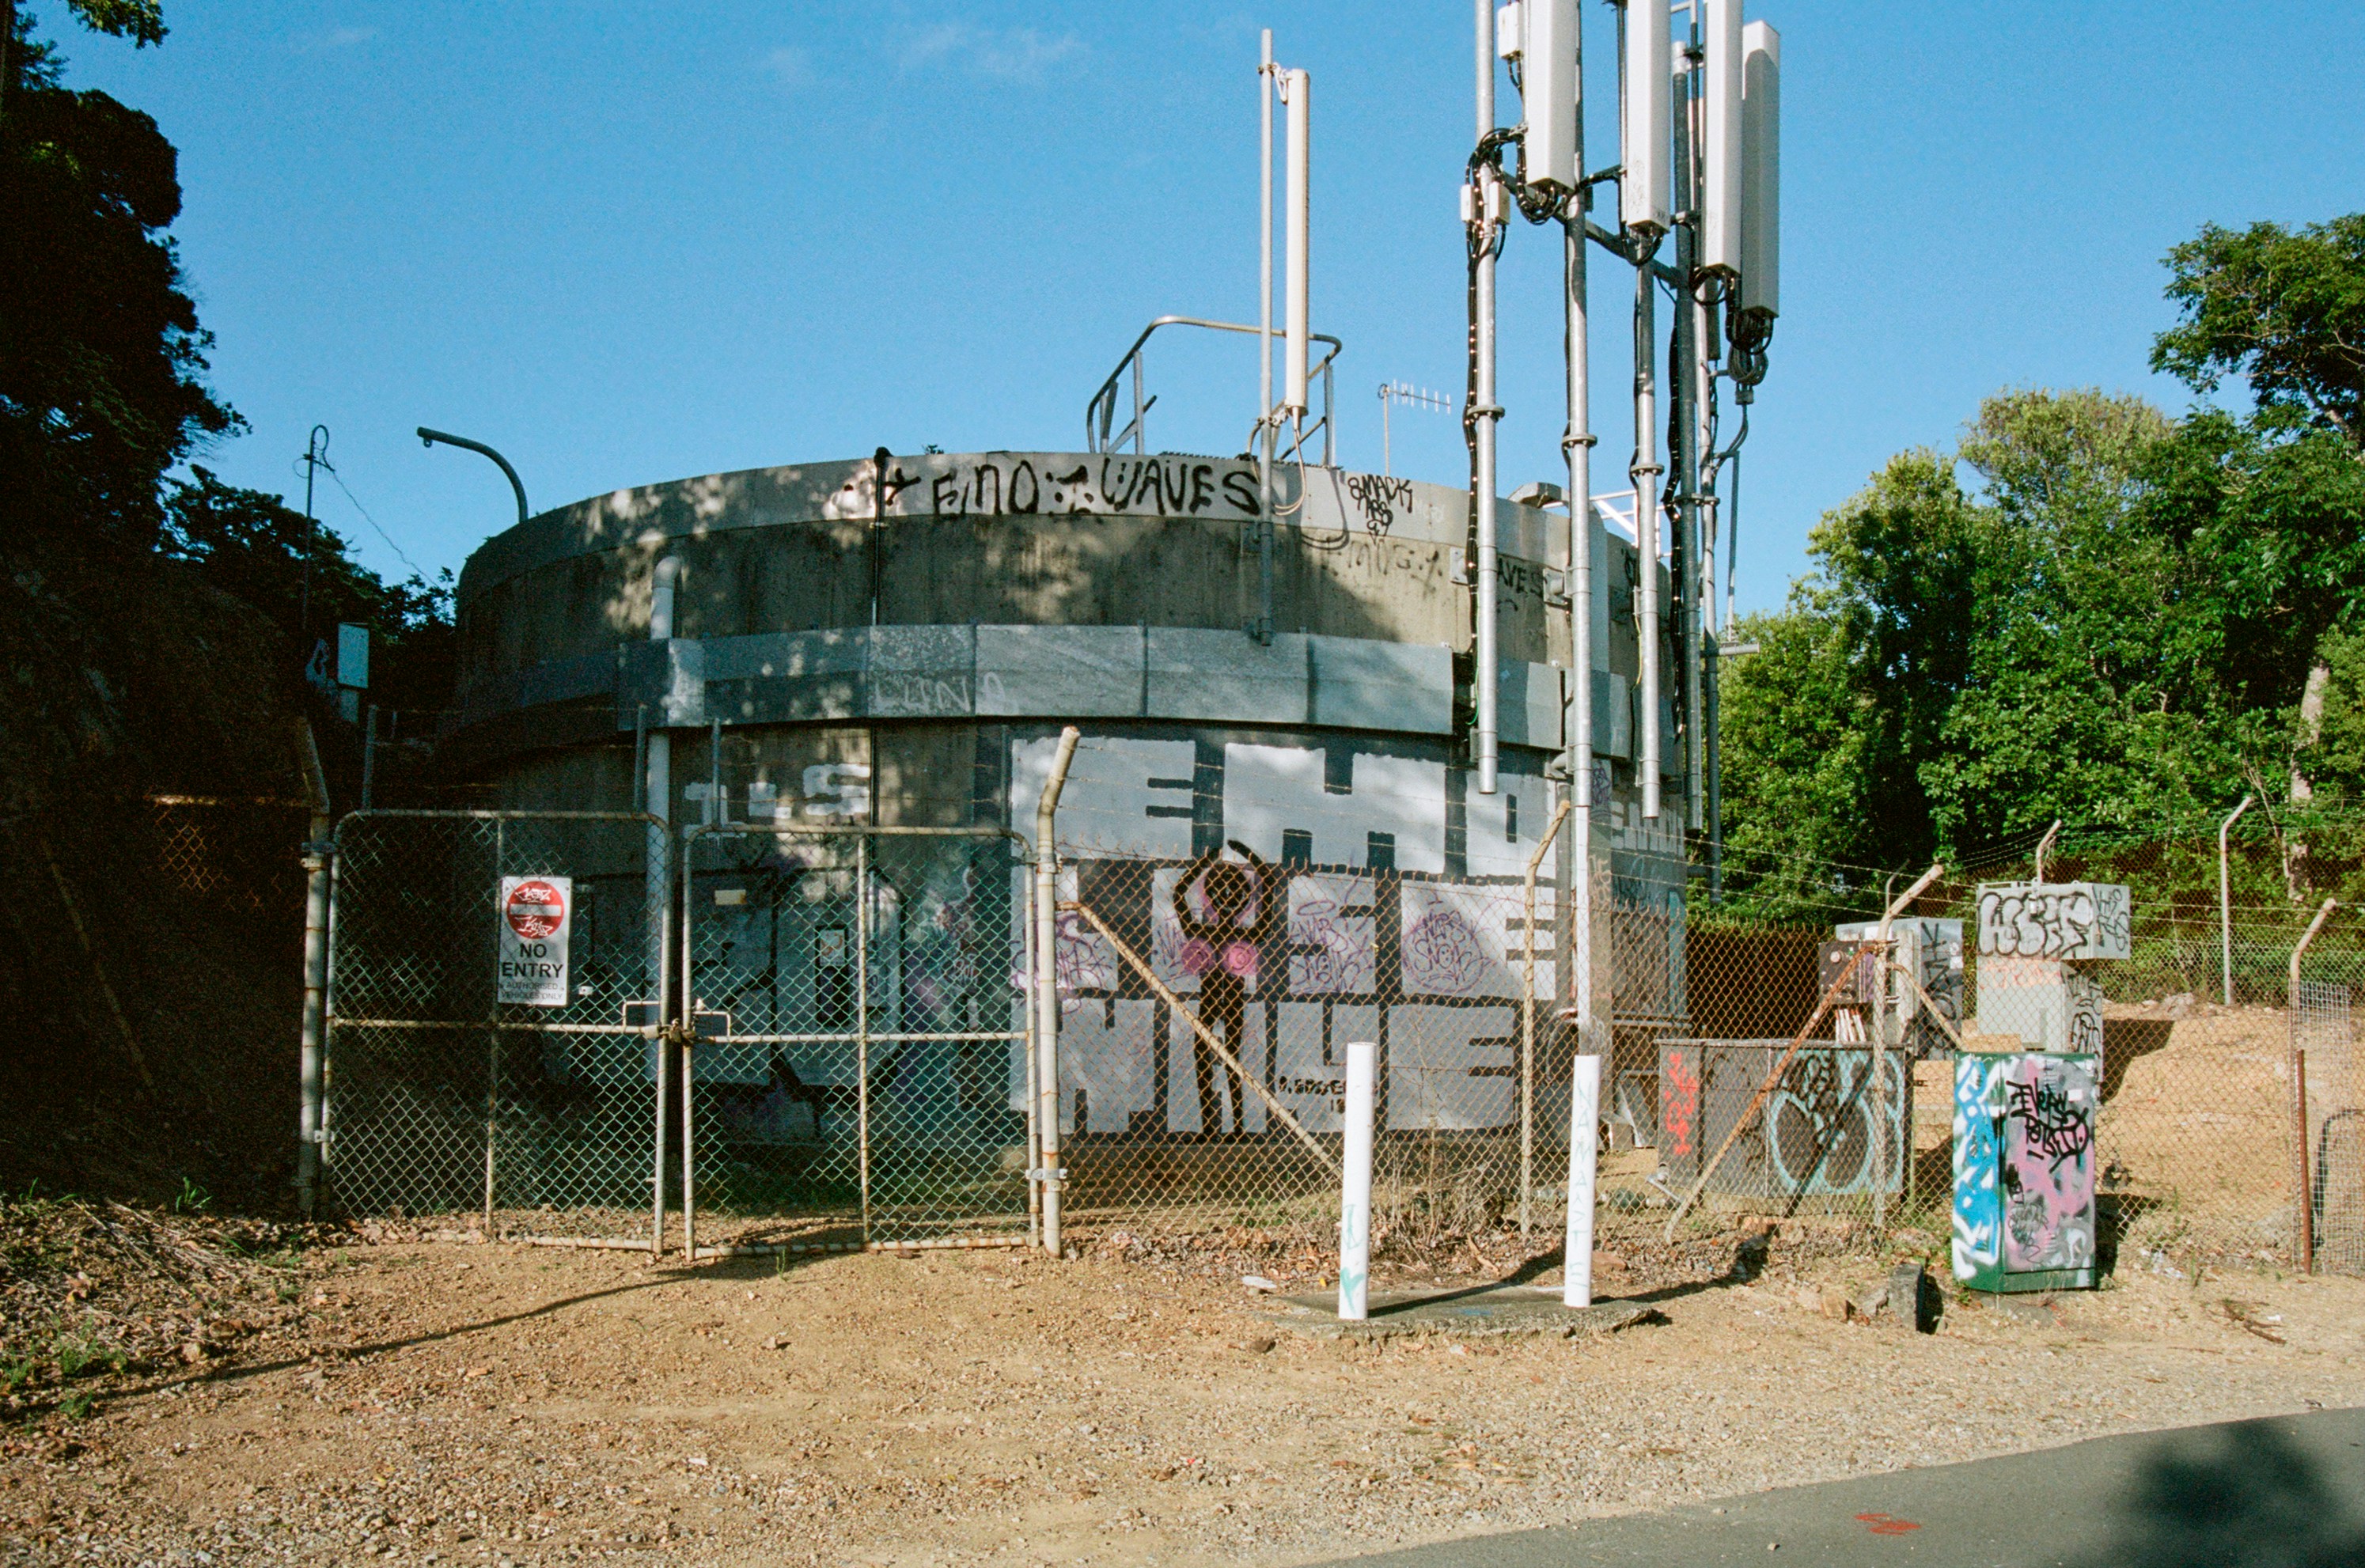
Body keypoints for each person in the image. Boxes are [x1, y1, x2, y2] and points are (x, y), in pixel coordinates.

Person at [1171, 841, 1283, 1139]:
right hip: (1214, 998)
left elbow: (1268, 885)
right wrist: (1208, 860)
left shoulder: (1241, 931)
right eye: (1219, 891)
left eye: (1233, 892)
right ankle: (1212, 1126)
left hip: (1230, 998)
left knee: (1231, 1058)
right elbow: (1178, 894)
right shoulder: (1206, 930)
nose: (1226, 897)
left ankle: (1235, 1127)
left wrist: (1240, 855)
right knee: (1209, 1057)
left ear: (1243, 897)